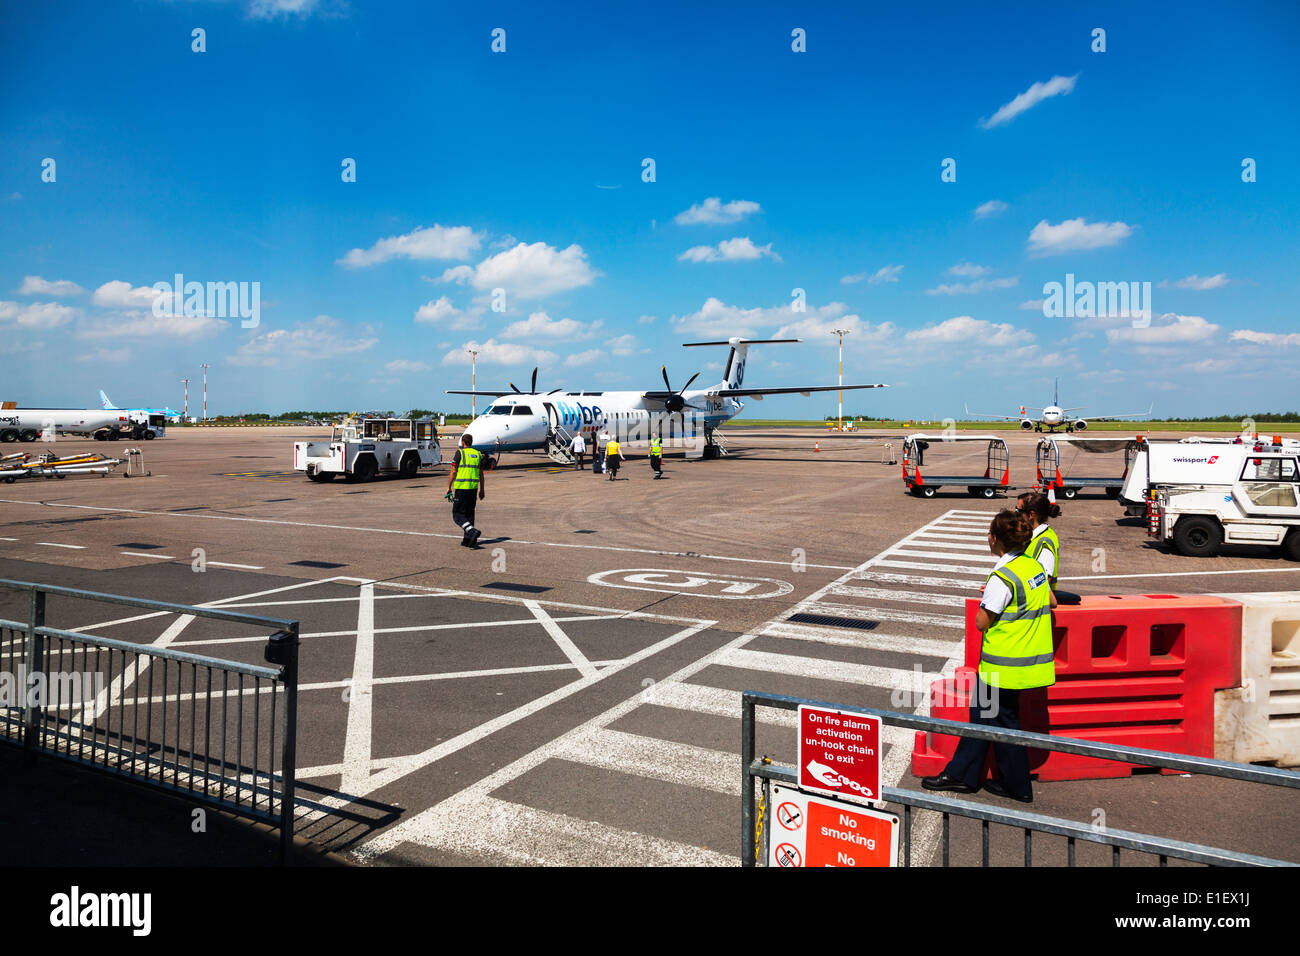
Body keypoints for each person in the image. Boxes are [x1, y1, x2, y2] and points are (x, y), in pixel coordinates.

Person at [922, 509, 1057, 802]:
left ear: (996, 540)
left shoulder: (1002, 576)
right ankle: (1006, 783)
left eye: (989, 534)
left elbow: (982, 621)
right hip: (1030, 661)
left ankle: (968, 778)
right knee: (998, 720)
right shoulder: (1032, 567)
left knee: (989, 718)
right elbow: (1050, 599)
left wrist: (988, 600)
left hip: (1003, 664)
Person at [1018, 491, 1079, 604]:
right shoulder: (1031, 536)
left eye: (1019, 511)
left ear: (1031, 515)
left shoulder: (1045, 542)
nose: (1015, 515)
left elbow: (1042, 582)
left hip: (1033, 607)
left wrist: (1012, 589)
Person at [445, 433, 485, 548]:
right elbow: (481, 474)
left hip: (462, 488)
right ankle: (468, 540)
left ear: (463, 442)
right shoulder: (478, 454)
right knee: (469, 514)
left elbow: (453, 471)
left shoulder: (460, 453)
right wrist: (482, 490)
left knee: (457, 515)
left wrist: (448, 487)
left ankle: (472, 532)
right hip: (473, 488)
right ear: (471, 442)